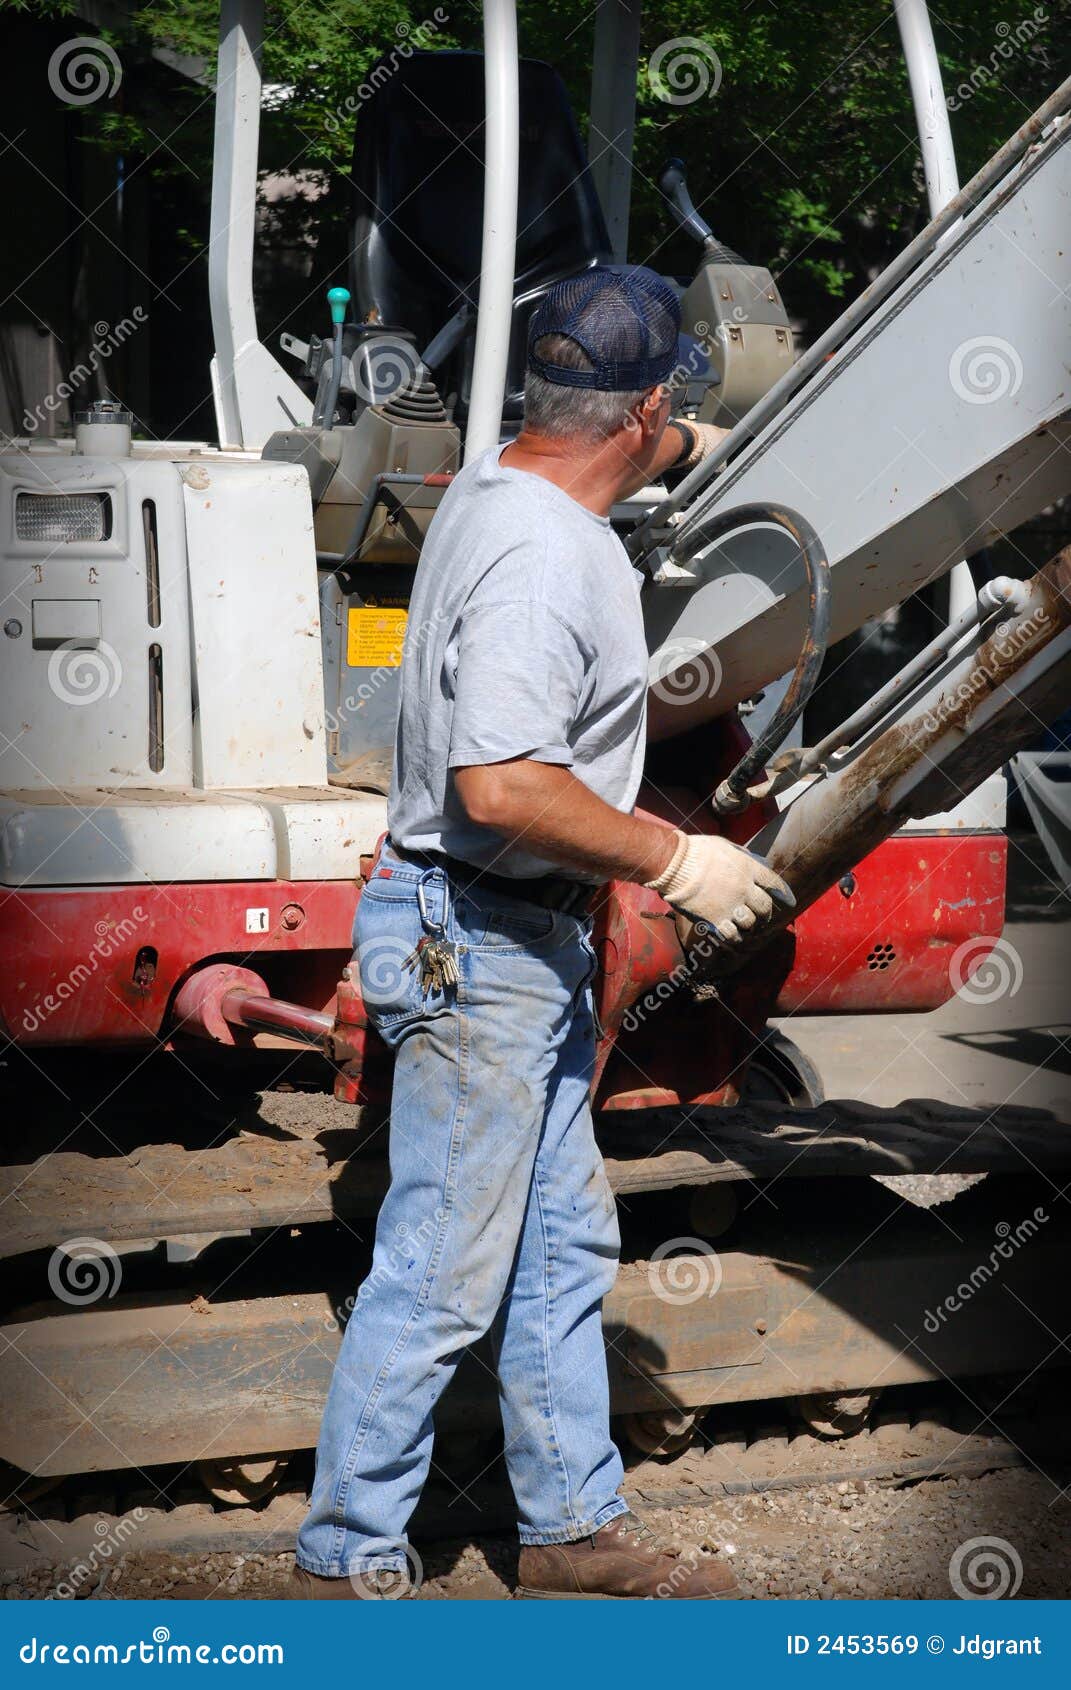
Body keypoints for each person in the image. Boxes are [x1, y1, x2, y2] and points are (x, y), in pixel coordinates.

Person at [293, 266, 792, 1600]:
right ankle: (347, 1561)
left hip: (517, 943)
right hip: (486, 943)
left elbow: (635, 434)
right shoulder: (542, 554)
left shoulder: (501, 483)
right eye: (669, 410)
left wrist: (707, 443)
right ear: (635, 404)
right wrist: (675, 854)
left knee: (563, 1244)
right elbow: (501, 784)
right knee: (445, 1273)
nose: (674, 429)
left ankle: (569, 1526)